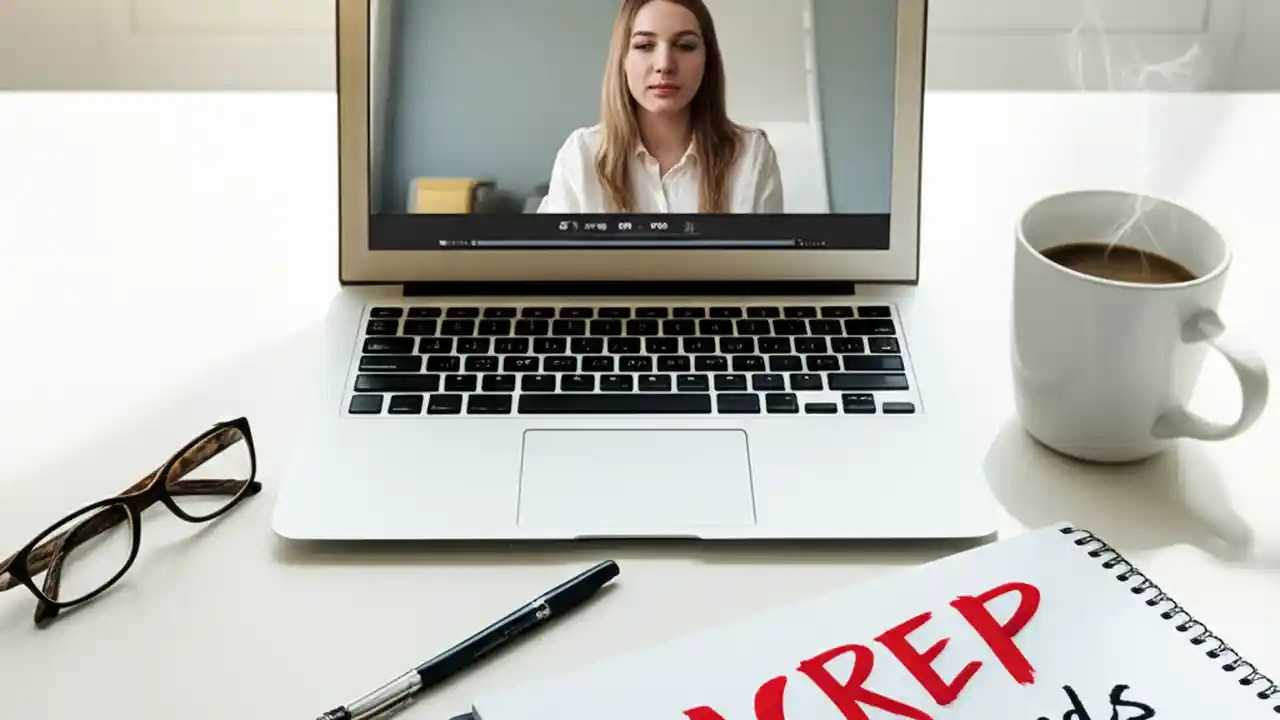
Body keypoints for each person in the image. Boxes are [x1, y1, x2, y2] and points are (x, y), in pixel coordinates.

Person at [537, 0, 784, 214]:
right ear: (622, 59)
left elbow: (764, 266)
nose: (664, 65)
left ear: (707, 61)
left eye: (685, 46)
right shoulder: (581, 156)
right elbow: (553, 265)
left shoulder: (751, 156)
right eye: (645, 46)